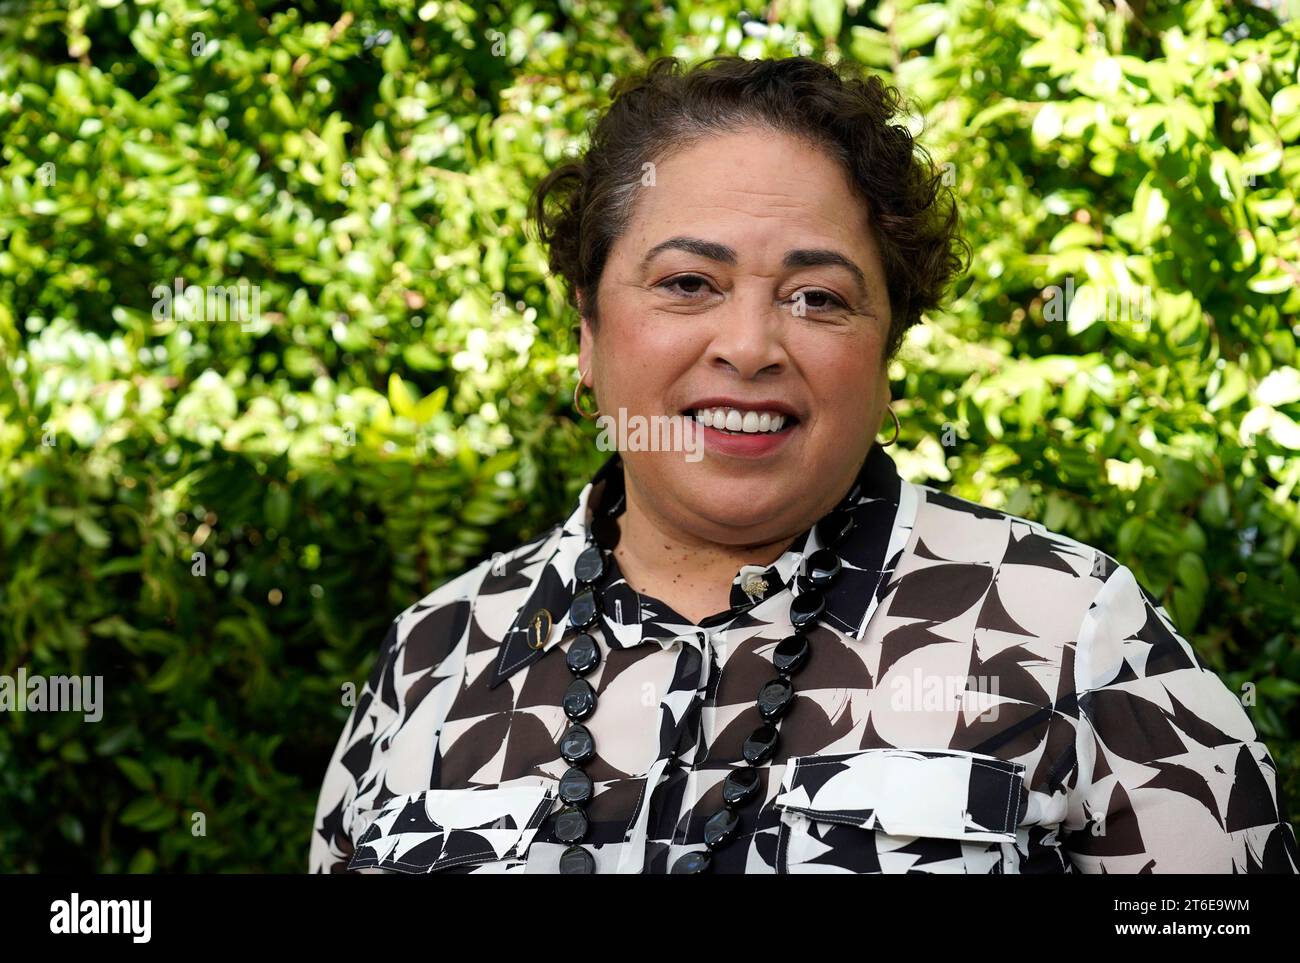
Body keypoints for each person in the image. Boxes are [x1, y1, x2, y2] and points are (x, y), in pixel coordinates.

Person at [310, 55, 1297, 873]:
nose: (749, 344)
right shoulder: (435, 656)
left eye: (818, 298)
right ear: (587, 330)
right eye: (688, 282)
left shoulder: (1069, 634)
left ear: (887, 350)